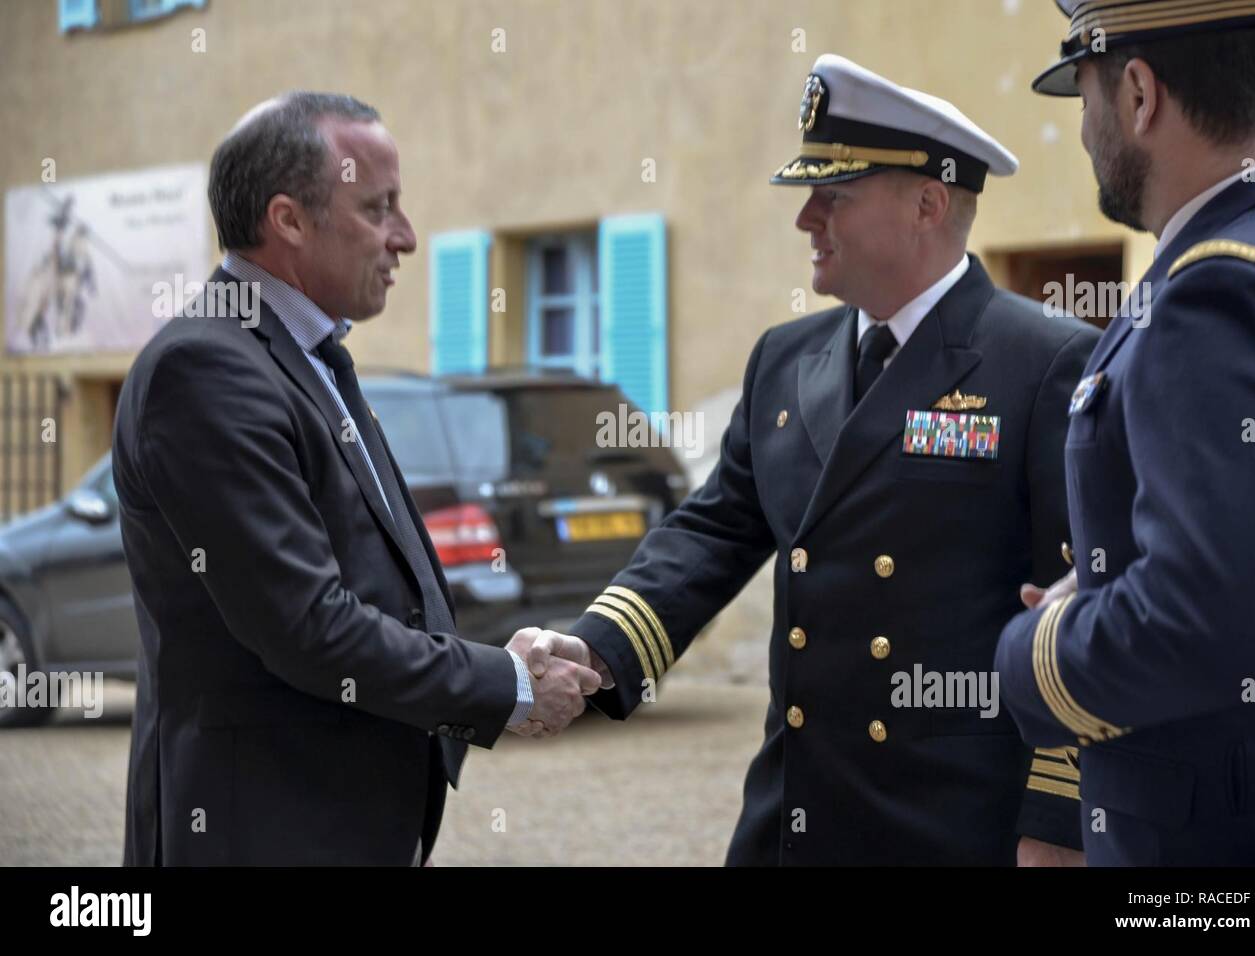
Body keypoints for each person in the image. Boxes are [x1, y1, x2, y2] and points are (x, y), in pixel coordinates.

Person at [519, 55, 1100, 865]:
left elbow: (1082, 611)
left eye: (834, 197)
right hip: (796, 814)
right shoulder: (785, 360)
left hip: (957, 824)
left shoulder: (1047, 361)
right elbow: (714, 534)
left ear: (927, 203)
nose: (806, 221)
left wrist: (1057, 826)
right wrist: (596, 646)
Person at [113, 92, 599, 866]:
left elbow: (378, 588)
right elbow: (307, 626)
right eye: (379, 209)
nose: (405, 237)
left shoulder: (303, 354)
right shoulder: (205, 368)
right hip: (265, 831)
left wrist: (499, 662)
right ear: (290, 221)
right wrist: (502, 683)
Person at [995, 0, 1255, 865]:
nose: (1088, 131)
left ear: (1137, 93)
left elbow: (1197, 621)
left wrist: (1034, 650)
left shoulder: (1213, 291)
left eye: (1082, 95)